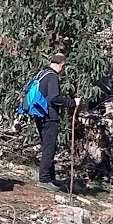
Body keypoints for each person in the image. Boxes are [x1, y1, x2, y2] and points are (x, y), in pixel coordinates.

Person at [31, 53, 79, 190]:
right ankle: (44, 179)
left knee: (48, 145)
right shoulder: (52, 77)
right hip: (49, 116)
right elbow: (54, 98)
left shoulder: (41, 74)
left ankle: (50, 178)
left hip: (39, 114)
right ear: (62, 64)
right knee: (49, 147)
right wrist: (72, 102)